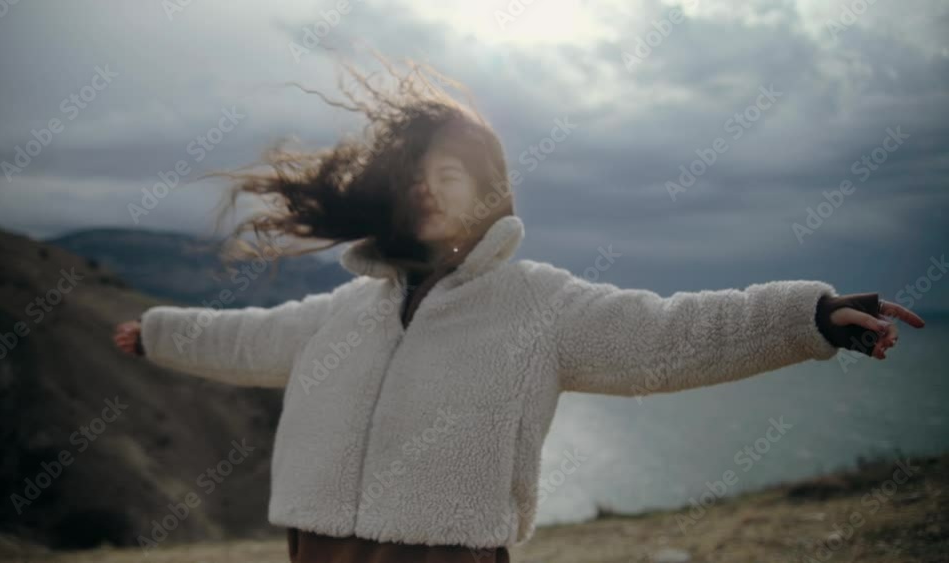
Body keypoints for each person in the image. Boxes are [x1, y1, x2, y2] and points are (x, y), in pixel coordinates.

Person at [113, 56, 925, 562]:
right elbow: (245, 338)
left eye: (451, 175)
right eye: (414, 178)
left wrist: (808, 317)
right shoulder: (347, 309)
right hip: (320, 548)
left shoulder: (539, 302)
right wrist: (155, 332)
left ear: (488, 192)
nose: (428, 189)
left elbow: (668, 333)